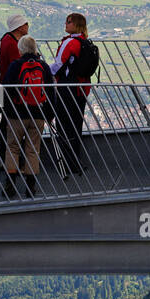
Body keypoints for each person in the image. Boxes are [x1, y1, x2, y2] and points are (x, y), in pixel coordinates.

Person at [0, 35, 55, 198]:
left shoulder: (15, 65)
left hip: (17, 115)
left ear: (20, 49)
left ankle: (10, 186)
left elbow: (6, 88)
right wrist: (49, 115)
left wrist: (0, 110)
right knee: (33, 150)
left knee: (13, 148)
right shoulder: (44, 67)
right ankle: (31, 188)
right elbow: (51, 92)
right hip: (38, 114)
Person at [50, 12, 96, 178]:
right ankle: (75, 161)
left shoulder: (70, 42)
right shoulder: (85, 42)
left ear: (75, 25)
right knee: (76, 125)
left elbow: (58, 64)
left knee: (63, 125)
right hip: (81, 89)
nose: (65, 24)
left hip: (67, 89)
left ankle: (66, 162)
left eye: (68, 22)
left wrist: (45, 74)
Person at [0, 14, 30, 167]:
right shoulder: (12, 44)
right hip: (11, 88)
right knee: (11, 123)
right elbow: (17, 67)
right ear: (19, 27)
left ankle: (7, 158)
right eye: (25, 23)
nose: (28, 26)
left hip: (5, 85)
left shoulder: (7, 40)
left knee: (6, 122)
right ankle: (12, 160)